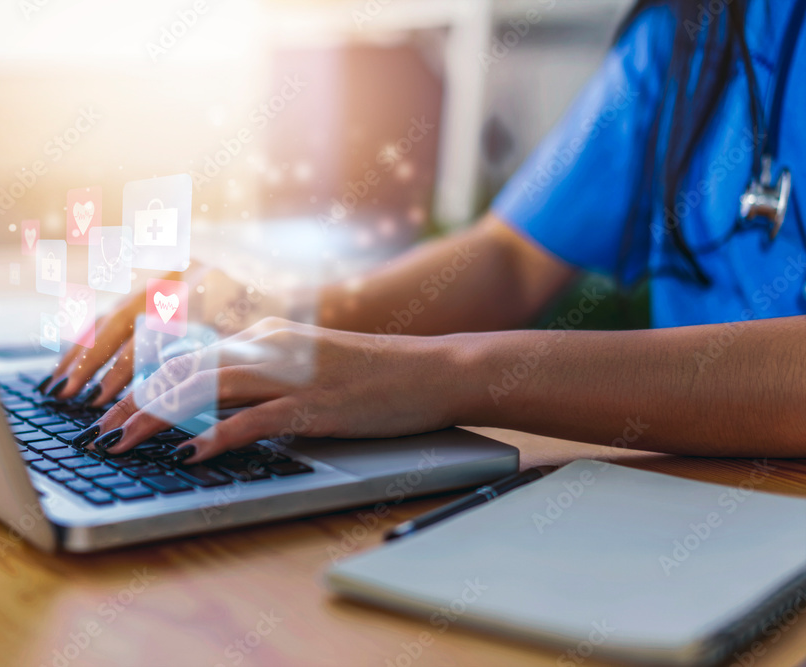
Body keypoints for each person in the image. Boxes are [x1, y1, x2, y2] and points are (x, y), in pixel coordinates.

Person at [43, 0, 805, 463]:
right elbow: (513, 258)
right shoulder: (694, 34)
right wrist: (286, 318)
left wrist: (445, 374)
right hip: (692, 490)